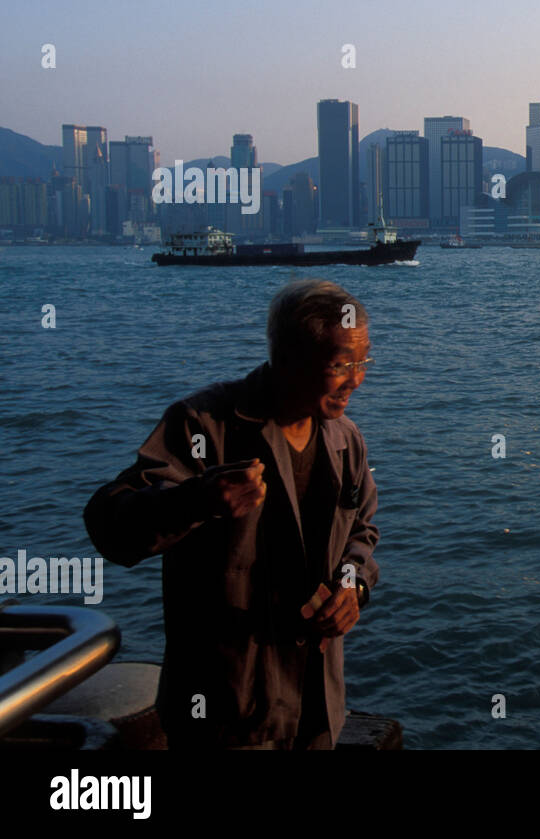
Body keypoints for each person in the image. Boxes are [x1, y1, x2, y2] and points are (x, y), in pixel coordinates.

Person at [84, 279, 380, 749]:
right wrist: (195, 501)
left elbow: (361, 530)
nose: (357, 380)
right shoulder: (203, 425)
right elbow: (109, 527)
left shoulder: (346, 441)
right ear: (288, 357)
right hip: (224, 713)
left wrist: (353, 584)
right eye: (341, 364)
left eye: (362, 362)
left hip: (316, 710)